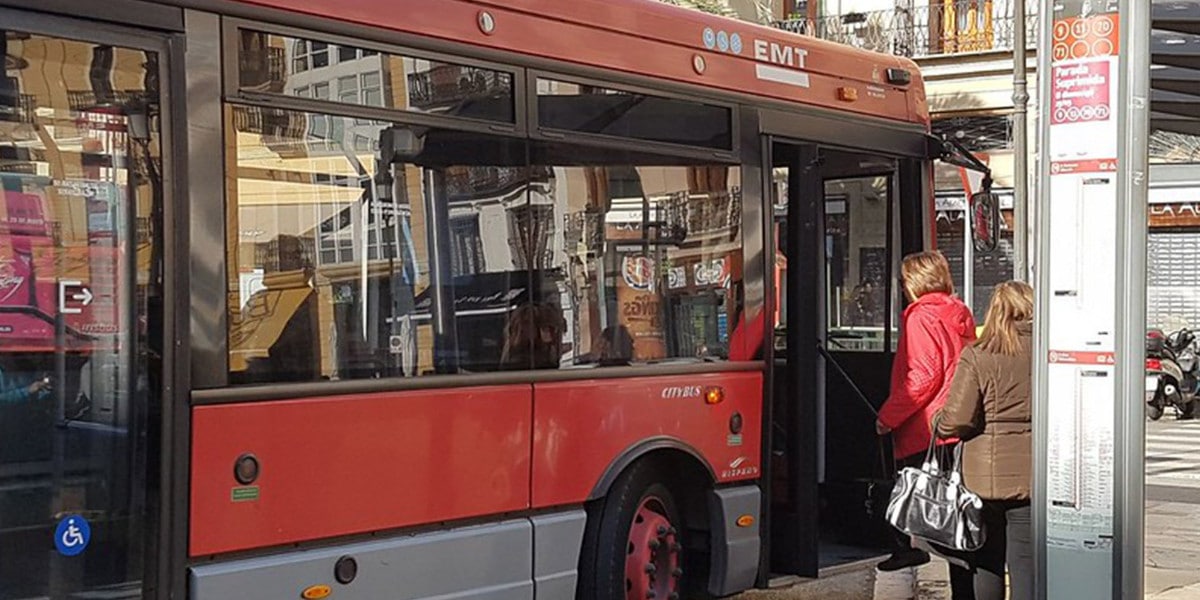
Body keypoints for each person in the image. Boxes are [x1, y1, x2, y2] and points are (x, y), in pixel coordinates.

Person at [875, 251, 976, 597]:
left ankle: (907, 548)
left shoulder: (921, 317)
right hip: (956, 423)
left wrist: (888, 417)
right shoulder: (958, 313)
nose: (903, 288)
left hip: (927, 426)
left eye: (904, 281)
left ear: (914, 283)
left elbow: (923, 376)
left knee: (917, 498)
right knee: (953, 509)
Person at [935, 281, 1034, 600]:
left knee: (986, 559)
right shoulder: (1049, 354)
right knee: (1025, 562)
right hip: (1033, 473)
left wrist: (939, 422)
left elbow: (958, 419)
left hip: (982, 476)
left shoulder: (978, 355)